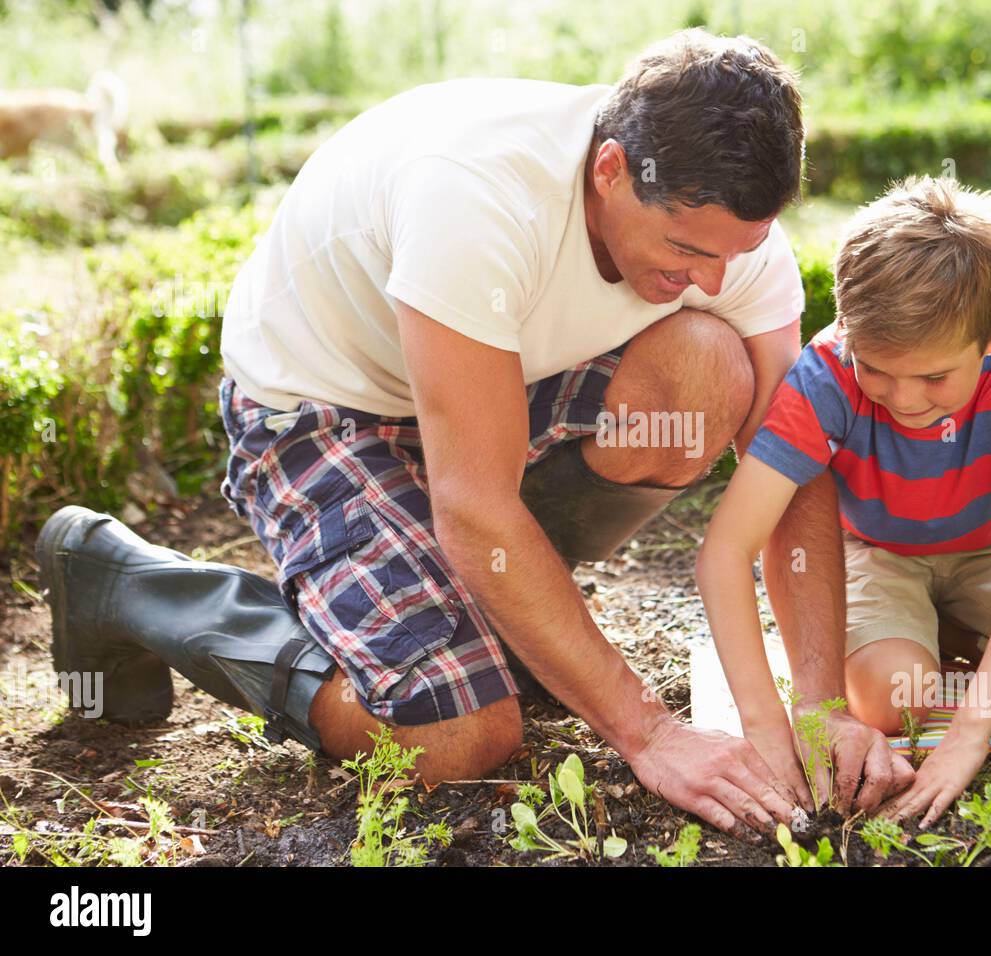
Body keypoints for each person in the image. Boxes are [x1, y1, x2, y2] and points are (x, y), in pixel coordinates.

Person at [37, 29, 913, 841]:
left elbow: (791, 470)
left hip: (492, 392)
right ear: (611, 169)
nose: (715, 276)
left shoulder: (724, 233)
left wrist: (819, 704)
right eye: (687, 249)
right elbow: (474, 504)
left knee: (706, 370)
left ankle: (490, 618)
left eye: (739, 250)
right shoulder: (477, 195)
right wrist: (649, 733)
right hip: (320, 408)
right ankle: (125, 584)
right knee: (458, 729)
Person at [695, 174, 991, 827]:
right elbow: (725, 552)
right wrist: (766, 723)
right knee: (889, 698)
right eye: (877, 369)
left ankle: (958, 634)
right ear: (847, 330)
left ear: (990, 339)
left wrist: (970, 732)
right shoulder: (825, 373)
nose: (904, 399)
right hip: (878, 553)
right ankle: (950, 641)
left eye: (934, 377)